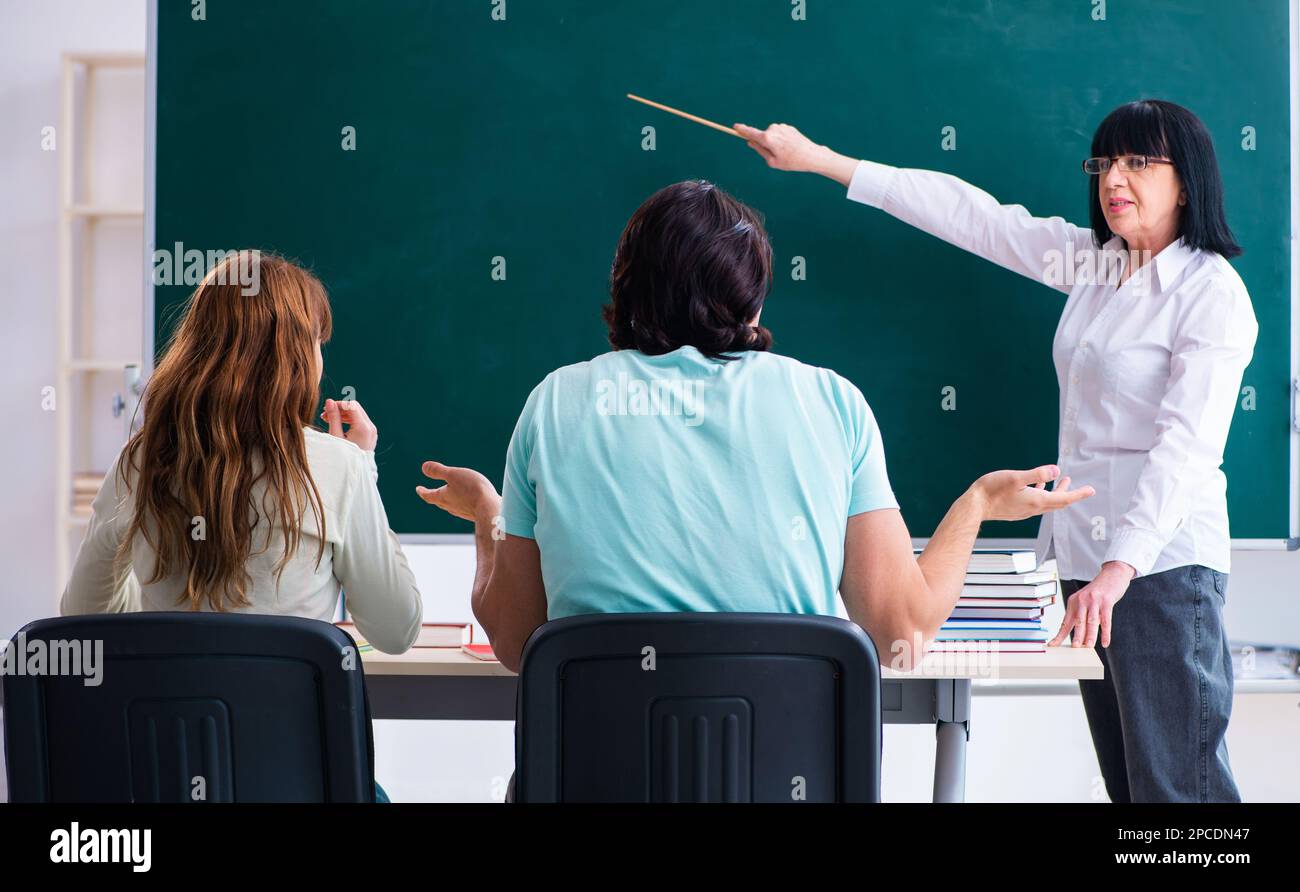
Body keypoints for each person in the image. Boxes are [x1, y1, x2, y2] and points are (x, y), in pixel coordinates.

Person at [733, 98, 1256, 803]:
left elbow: (1185, 451)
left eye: (1138, 162)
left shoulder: (1210, 293)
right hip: (1083, 568)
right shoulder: (1099, 266)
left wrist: (1118, 568)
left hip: (1159, 571)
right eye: (1104, 162)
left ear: (1187, 182)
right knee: (1134, 792)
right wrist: (820, 160)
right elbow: (976, 219)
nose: (1113, 179)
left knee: (1178, 798)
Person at [416, 180, 1090, 676]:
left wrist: (487, 518)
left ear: (626, 286)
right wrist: (974, 506)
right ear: (753, 295)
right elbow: (899, 635)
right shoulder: (832, 402)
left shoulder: (555, 403)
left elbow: (516, 640)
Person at [62, 251, 423, 656]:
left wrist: (153, 585)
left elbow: (82, 617)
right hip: (288, 720)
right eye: (317, 344)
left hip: (165, 718)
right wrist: (362, 467)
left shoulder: (140, 463)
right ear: (297, 359)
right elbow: (396, 631)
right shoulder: (340, 467)